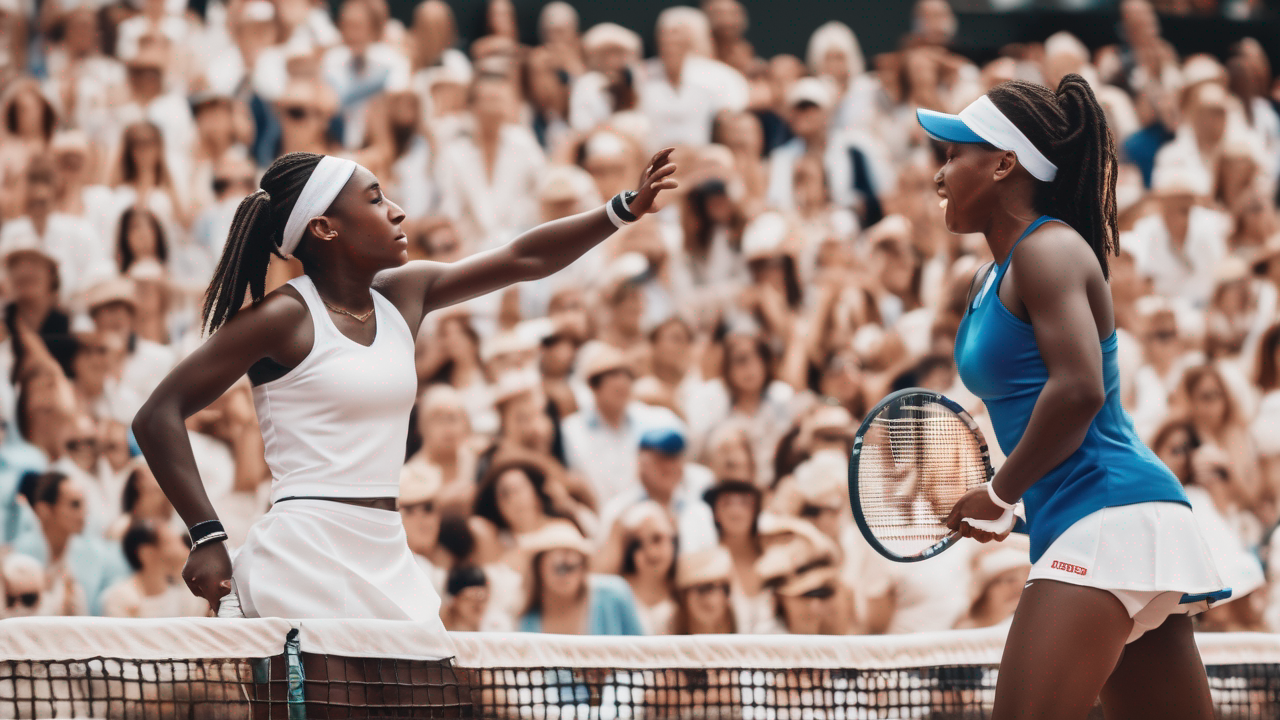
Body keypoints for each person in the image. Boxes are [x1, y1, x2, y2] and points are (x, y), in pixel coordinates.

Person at [129, 147, 676, 706]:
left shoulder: (403, 294)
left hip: (388, 554)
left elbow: (523, 259)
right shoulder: (282, 318)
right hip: (302, 561)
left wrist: (622, 210)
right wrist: (207, 535)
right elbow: (157, 415)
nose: (397, 211)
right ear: (324, 227)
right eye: (374, 199)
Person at [922, 76, 1228, 718]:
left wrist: (1002, 490)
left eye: (955, 154)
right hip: (1095, 516)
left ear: (1004, 163)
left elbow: (1080, 390)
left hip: (1108, 516)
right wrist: (1019, 499)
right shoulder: (991, 276)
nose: (939, 174)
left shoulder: (1050, 248)